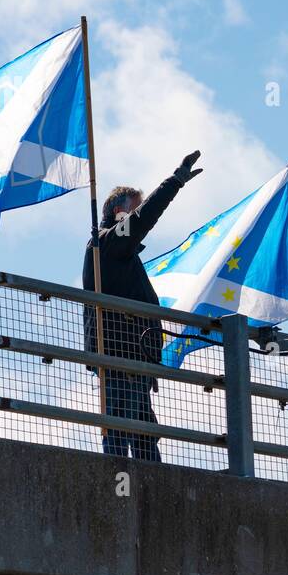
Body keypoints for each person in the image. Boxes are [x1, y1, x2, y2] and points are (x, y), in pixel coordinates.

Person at [83, 150, 203, 461]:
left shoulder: (118, 251)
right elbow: (143, 219)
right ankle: (117, 479)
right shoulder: (107, 243)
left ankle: (148, 485)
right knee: (123, 427)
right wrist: (174, 183)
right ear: (120, 213)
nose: (138, 217)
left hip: (133, 359)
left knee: (144, 433)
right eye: (134, 210)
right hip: (120, 357)